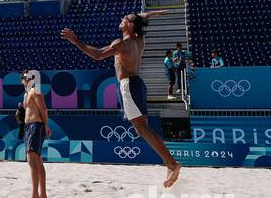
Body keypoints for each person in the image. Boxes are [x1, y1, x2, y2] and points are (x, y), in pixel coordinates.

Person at [62, 11, 182, 188]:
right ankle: (169, 163)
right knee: (143, 129)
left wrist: (76, 41)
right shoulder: (139, 40)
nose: (121, 20)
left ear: (131, 25)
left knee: (142, 129)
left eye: (124, 19)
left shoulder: (122, 43)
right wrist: (155, 13)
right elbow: (142, 16)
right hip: (137, 84)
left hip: (128, 86)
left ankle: (172, 164)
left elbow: (98, 55)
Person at [20, 71, 49, 198]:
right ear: (22, 80)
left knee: (32, 160)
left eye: (30, 77)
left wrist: (45, 125)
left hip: (35, 126)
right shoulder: (27, 94)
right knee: (38, 161)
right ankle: (42, 194)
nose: (28, 79)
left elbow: (43, 110)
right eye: (25, 77)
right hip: (30, 127)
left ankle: (34, 195)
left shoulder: (34, 91)